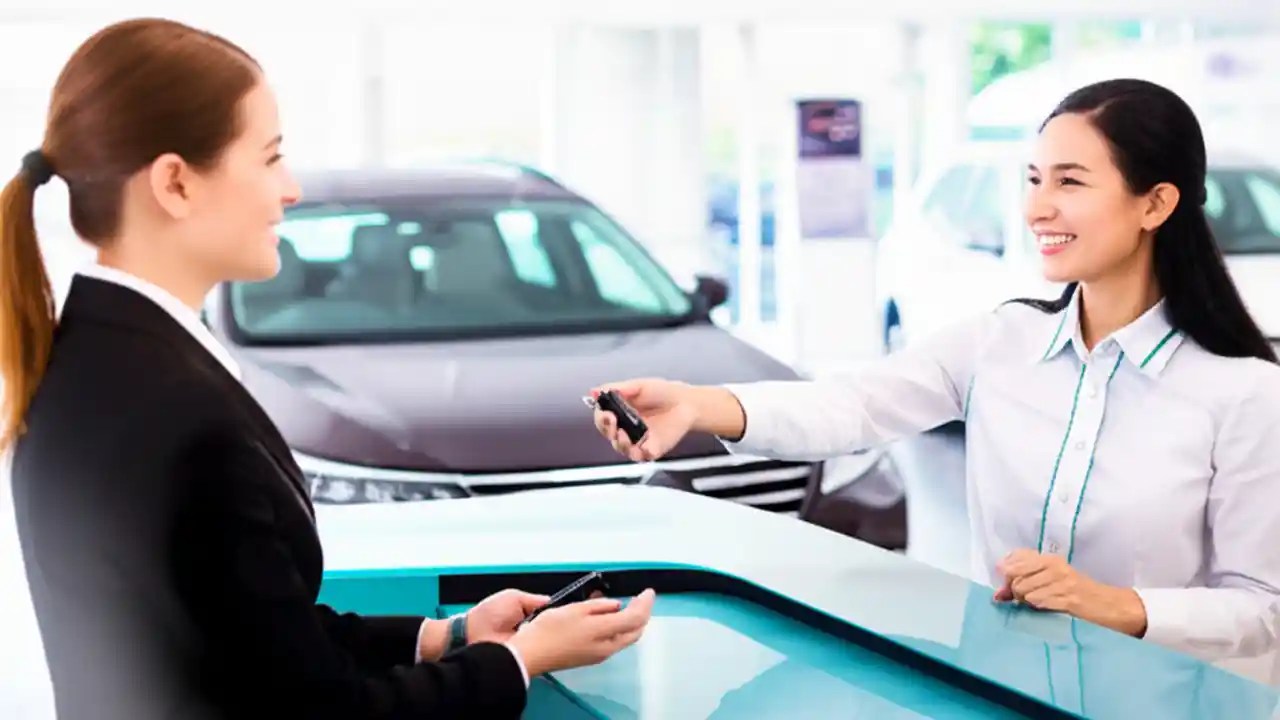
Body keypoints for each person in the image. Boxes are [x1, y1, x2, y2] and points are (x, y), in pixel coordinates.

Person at [0, 18, 653, 720]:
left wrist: (447, 636)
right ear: (176, 184)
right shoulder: (180, 417)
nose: (290, 190)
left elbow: (248, 641)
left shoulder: (85, 359)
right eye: (270, 157)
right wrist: (521, 660)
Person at [591, 79, 1280, 682]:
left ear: (1156, 204)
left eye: (1069, 182)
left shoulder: (1241, 391)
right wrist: (697, 405)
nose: (1038, 208)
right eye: (1033, 179)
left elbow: (1262, 609)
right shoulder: (998, 343)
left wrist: (1116, 606)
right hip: (1003, 691)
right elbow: (851, 407)